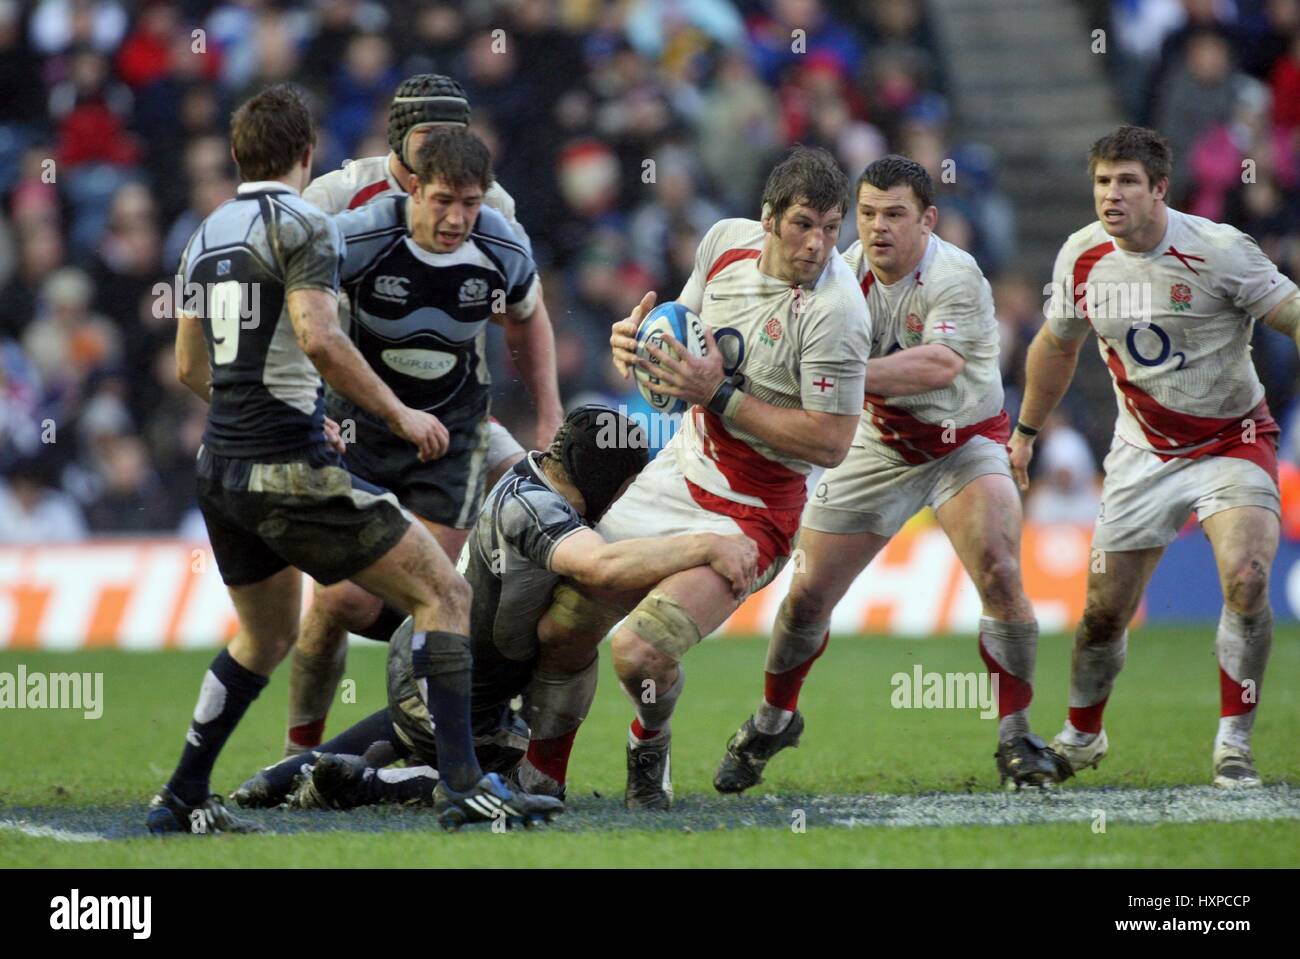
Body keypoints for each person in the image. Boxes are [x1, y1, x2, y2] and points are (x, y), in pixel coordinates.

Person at [148, 83, 561, 834]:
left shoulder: (204, 232)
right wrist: (388, 413)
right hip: (295, 464)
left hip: (220, 465)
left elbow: (187, 367)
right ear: (307, 155)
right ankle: (464, 781)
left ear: (237, 156)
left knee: (264, 636)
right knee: (446, 595)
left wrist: (248, 414)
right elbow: (318, 335)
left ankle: (180, 792)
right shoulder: (316, 223)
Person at [529, 146, 872, 810]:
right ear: (768, 219)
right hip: (678, 473)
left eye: (833, 227)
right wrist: (635, 343)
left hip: (753, 514)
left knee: (638, 652)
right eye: (805, 224)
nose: (821, 244)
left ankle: (647, 741)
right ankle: (541, 776)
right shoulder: (721, 245)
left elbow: (831, 442)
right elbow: (675, 340)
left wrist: (718, 396)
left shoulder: (838, 312)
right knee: (561, 625)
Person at [712, 155, 1067, 793]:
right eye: (868, 213)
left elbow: (938, 365)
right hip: (877, 447)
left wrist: (836, 374)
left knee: (999, 568)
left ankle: (1017, 736)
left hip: (965, 444)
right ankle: (772, 719)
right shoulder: (840, 274)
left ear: (927, 220)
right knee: (806, 599)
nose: (878, 228)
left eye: (895, 214)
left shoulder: (955, 275)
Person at [231, 405, 757, 810]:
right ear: (600, 480)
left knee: (398, 726)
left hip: (422, 658)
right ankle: (371, 784)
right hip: (455, 683)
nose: (622, 502)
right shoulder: (538, 509)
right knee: (503, 781)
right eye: (622, 488)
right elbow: (601, 567)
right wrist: (705, 545)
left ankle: (269, 781)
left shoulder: (527, 476)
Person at [282, 73, 562, 757]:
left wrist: (550, 415)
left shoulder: (493, 212)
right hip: (357, 420)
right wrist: (297, 405)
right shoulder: (337, 205)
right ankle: (305, 752)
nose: (458, 210)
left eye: (453, 141)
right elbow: (299, 320)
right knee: (342, 603)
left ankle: (475, 734)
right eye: (427, 143)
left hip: (455, 418)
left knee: (546, 508)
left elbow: (520, 310)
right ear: (400, 150)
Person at [1012, 125, 1300, 788]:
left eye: (1126, 182)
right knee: (1103, 611)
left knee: (1250, 576)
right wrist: (1025, 430)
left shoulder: (1221, 251)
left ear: (1160, 189)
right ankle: (1082, 736)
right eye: (1102, 182)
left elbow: (1292, 315)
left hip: (1232, 438)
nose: (1110, 196)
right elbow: (1057, 346)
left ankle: (1234, 741)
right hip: (1142, 450)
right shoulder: (1082, 258)